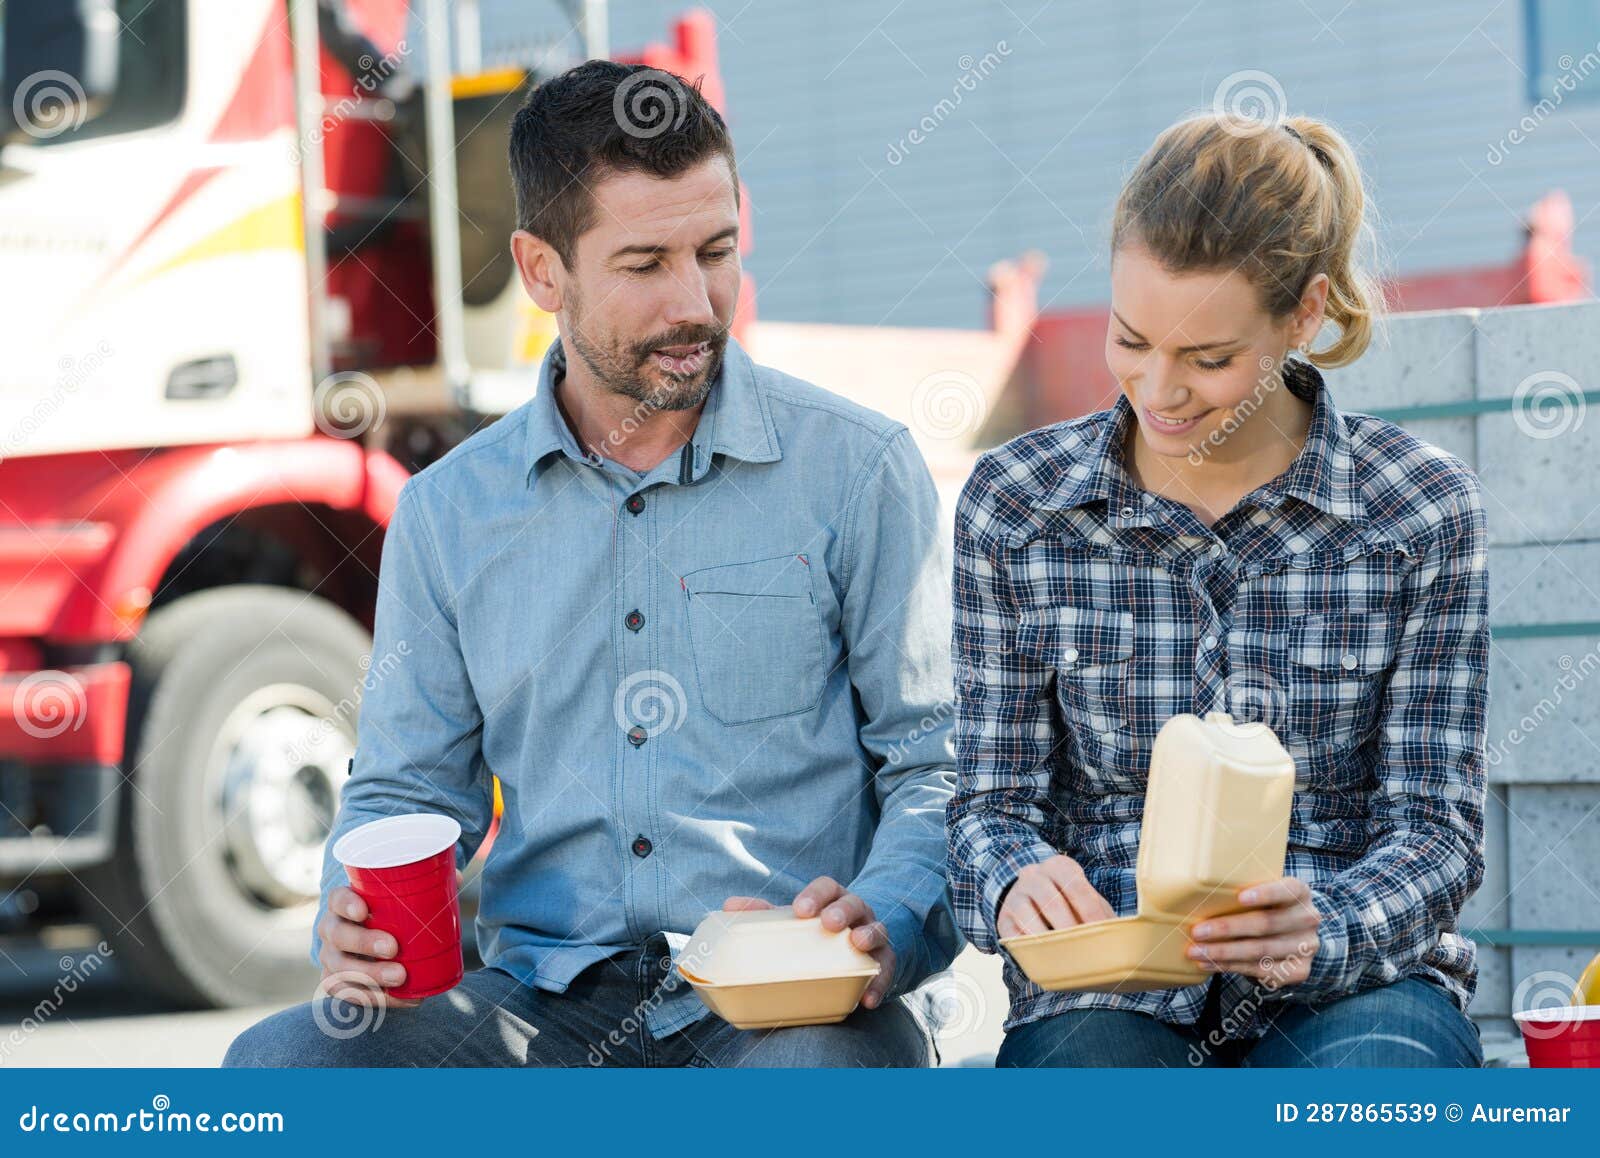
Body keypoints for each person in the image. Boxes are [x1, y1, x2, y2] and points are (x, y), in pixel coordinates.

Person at [225, 60, 958, 1068]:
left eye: (717, 250)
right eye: (645, 263)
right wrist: (348, 922)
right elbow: (406, 790)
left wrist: (890, 914)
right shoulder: (448, 514)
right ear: (541, 271)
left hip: (793, 1006)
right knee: (288, 1068)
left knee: (814, 1084)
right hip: (541, 1004)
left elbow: (939, 763)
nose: (696, 302)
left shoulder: (858, 471)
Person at [946, 111, 1488, 1067]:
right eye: (1130, 339)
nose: (1158, 391)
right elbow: (991, 807)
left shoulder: (1420, 512)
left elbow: (1435, 832)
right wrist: (1014, 881)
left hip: (1357, 985)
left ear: (1304, 315)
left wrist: (1331, 924)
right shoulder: (1018, 508)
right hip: (1105, 987)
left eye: (1208, 360)